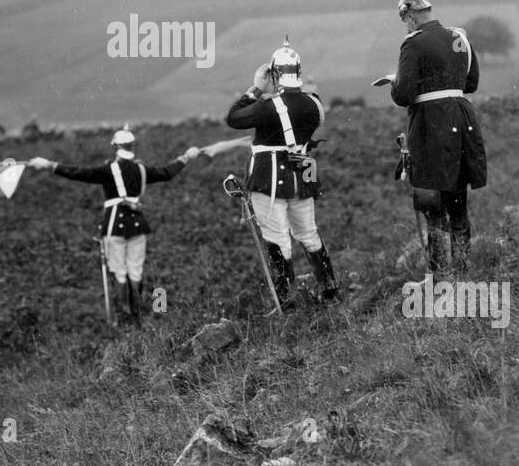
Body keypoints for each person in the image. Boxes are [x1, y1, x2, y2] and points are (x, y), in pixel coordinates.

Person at [28, 127, 199, 324]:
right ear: (132, 146)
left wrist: (49, 164)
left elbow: (79, 173)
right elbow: (167, 172)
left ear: (115, 146)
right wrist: (186, 156)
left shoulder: (107, 170)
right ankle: (137, 319)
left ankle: (122, 318)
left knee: (119, 271)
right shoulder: (142, 170)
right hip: (137, 225)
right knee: (136, 270)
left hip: (113, 225)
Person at [225, 36, 338, 306]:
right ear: (298, 71)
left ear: (275, 73)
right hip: (302, 178)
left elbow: (233, 118)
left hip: (268, 180)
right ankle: (330, 291)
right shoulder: (315, 104)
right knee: (309, 234)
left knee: (278, 240)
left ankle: (287, 302)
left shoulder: (266, 107)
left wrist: (255, 88)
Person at [387, 0, 488, 275]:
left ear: (411, 17)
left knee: (432, 203)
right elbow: (471, 84)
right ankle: (463, 270)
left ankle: (439, 275)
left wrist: (394, 83)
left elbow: (404, 94)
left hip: (431, 125)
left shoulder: (414, 43)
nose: (406, 26)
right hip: (462, 118)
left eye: (405, 21)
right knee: (458, 200)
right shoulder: (460, 38)